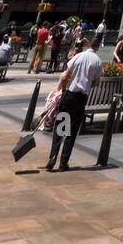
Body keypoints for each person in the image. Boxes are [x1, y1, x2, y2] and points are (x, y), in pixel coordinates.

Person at [45, 35, 104, 172]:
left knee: (61, 128)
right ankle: (63, 162)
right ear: (98, 47)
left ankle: (52, 158)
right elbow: (96, 82)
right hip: (81, 98)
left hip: (69, 95)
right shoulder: (97, 61)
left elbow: (65, 76)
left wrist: (61, 90)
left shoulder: (78, 56)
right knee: (71, 132)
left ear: (89, 44)